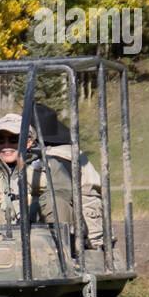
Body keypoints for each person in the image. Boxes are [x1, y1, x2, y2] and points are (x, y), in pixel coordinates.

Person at [33, 103, 104, 247]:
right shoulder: (70, 152)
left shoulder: (58, 158)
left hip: (83, 239)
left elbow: (60, 195)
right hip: (92, 229)